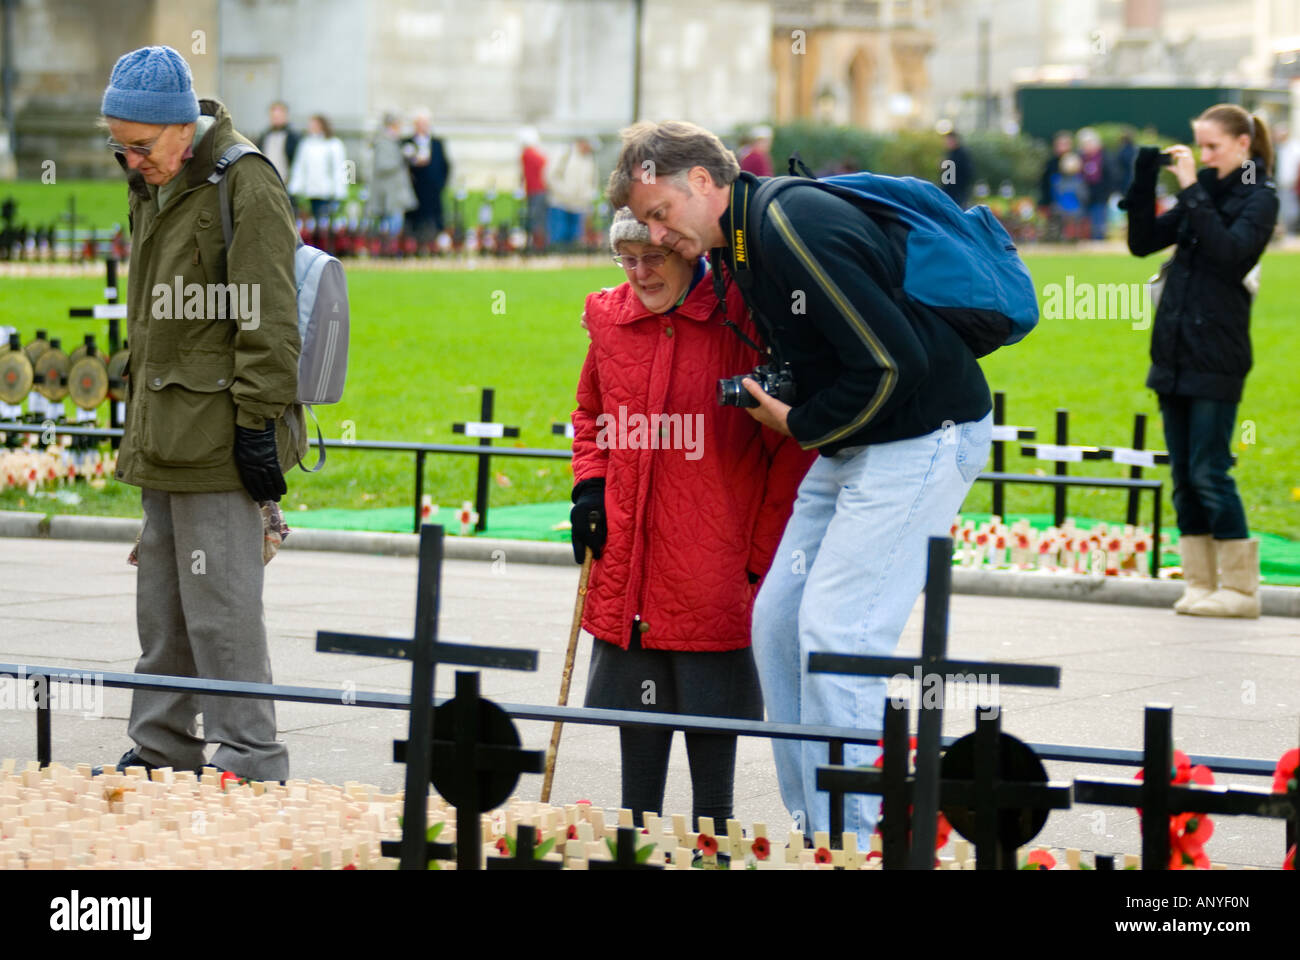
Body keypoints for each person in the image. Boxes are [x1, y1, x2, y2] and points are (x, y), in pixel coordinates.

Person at [607, 121, 993, 842]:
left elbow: (892, 364)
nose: (656, 236)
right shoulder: (744, 238)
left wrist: (798, 421)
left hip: (923, 435)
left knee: (838, 633)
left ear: (700, 183)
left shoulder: (787, 225)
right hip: (859, 439)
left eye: (660, 214)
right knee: (778, 625)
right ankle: (820, 832)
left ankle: (861, 839)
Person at [96, 45, 305, 779]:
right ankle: (160, 752)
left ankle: (251, 760)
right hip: (165, 430)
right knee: (162, 611)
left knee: (222, 616)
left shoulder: (242, 182)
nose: (128, 160)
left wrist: (256, 425)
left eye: (139, 146)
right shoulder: (156, 178)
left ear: (183, 127)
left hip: (220, 437)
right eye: (117, 145)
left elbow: (271, 319)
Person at [571, 208, 813, 830]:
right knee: (639, 725)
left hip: (717, 561)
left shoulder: (740, 321)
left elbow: (788, 454)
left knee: (712, 729)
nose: (639, 273)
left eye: (653, 257)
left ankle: (715, 845)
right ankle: (637, 841)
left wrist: (758, 559)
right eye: (626, 259)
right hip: (630, 560)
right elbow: (590, 415)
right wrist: (590, 488)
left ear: (688, 252)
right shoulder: (610, 320)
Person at [1121, 104, 1277, 619]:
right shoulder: (1202, 192)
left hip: (1219, 355)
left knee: (1211, 470)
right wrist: (1143, 181)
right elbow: (1144, 243)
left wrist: (1190, 188)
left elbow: (1232, 254)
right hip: (1173, 352)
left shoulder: (1260, 198)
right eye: (1199, 147)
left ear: (1242, 146)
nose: (1204, 156)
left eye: (1213, 147)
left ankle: (1240, 590)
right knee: (1184, 474)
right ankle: (1200, 581)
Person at [287, 114, 348, 223]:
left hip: (328, 193)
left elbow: (340, 169)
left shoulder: (334, 144)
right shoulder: (306, 144)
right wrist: (294, 189)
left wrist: (339, 193)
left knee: (325, 224)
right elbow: (299, 168)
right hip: (311, 193)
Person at [402, 108, 450, 242]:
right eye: (420, 123)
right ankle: (413, 242)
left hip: (433, 189)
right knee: (414, 219)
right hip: (415, 188)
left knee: (433, 218)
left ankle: (433, 242)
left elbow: (445, 165)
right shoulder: (407, 142)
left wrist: (440, 184)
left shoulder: (437, 143)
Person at [366, 112, 417, 236]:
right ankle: (389, 247)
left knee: (395, 219)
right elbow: (383, 165)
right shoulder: (384, 142)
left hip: (394, 191)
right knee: (392, 223)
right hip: (389, 192)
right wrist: (402, 157)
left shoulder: (394, 141)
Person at [547, 137, 597, 250]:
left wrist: (587, 197)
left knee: (575, 239)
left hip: (579, 206)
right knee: (559, 237)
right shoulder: (565, 154)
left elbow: (590, 181)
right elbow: (551, 176)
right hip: (560, 204)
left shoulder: (589, 159)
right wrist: (564, 192)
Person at [1077, 127, 1113, 240]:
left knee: (1099, 222)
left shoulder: (1105, 157)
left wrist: (1109, 192)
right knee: (1085, 223)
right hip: (1085, 195)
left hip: (1100, 194)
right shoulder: (1079, 158)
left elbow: (1111, 176)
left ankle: (1098, 241)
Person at [256, 100, 299, 183]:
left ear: (286, 116)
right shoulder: (264, 137)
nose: (276, 119)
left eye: (279, 116)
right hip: (267, 181)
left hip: (286, 183)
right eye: (274, 116)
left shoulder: (294, 138)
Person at [520, 127, 548, 251]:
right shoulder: (535, 155)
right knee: (538, 218)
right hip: (538, 190)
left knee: (536, 219)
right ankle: (538, 244)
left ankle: (538, 245)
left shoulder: (527, 154)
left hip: (536, 191)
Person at [941, 130, 974, 209]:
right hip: (949, 191)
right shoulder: (950, 153)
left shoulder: (962, 154)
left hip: (958, 193)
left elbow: (968, 172)